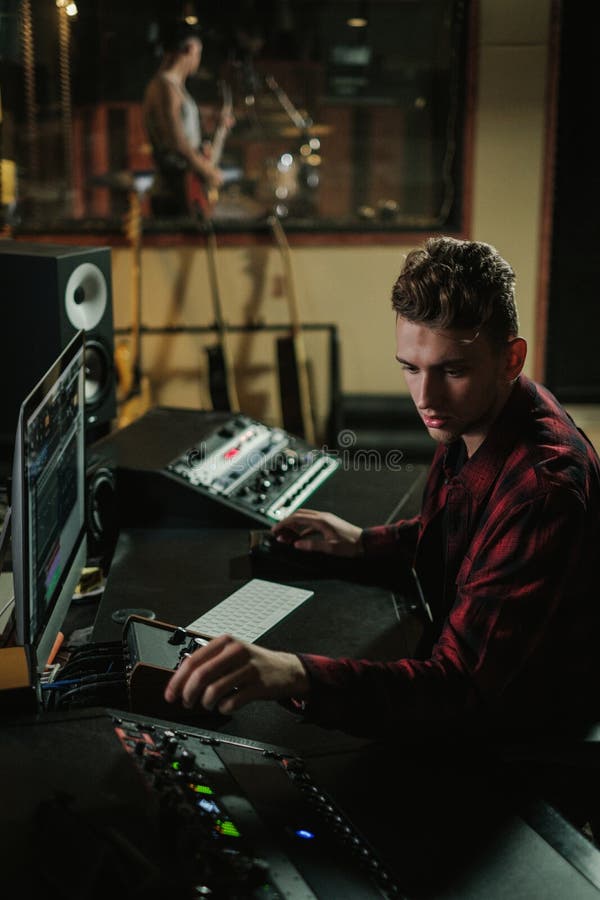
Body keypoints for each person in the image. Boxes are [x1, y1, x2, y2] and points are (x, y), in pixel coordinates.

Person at [165, 236, 600, 739]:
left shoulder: (544, 490)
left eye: (452, 370)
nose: (426, 397)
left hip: (524, 735)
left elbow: (460, 688)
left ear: (510, 359)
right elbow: (471, 535)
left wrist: (295, 673)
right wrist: (361, 542)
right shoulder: (483, 410)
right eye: (411, 368)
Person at [143, 24, 234, 217]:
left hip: (188, 186)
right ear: (191, 49)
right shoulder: (164, 87)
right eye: (199, 53)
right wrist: (207, 171)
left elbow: (186, 136)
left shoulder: (176, 87)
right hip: (173, 192)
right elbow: (177, 143)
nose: (198, 60)